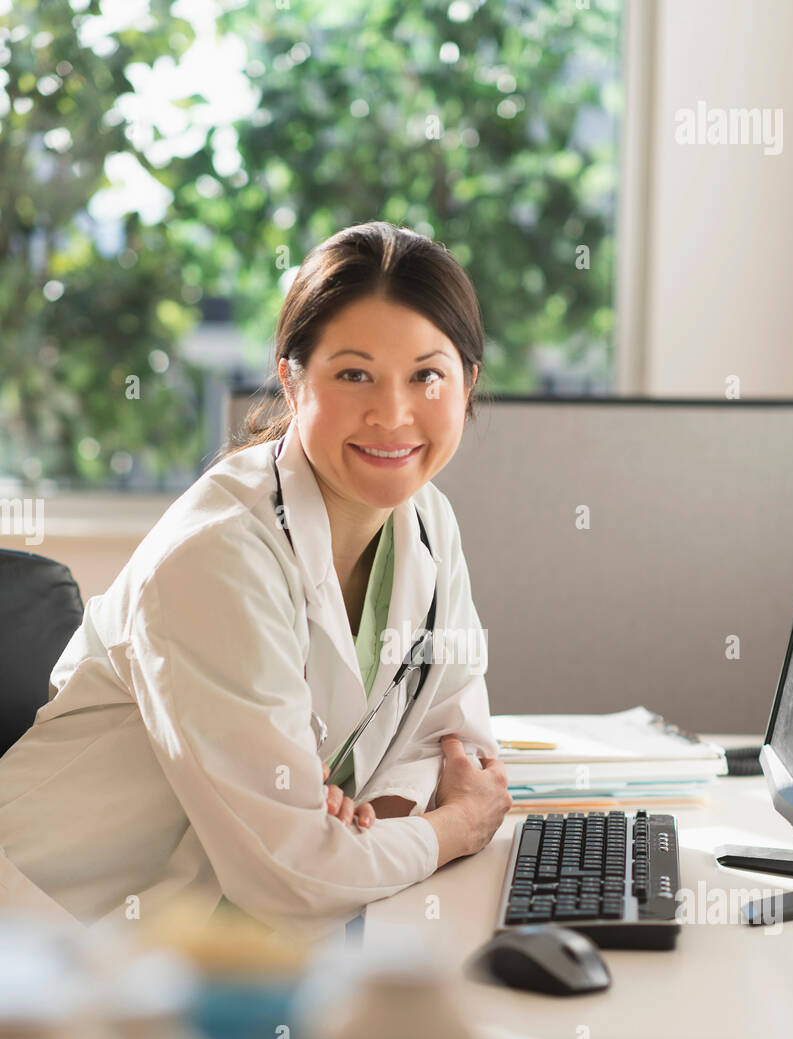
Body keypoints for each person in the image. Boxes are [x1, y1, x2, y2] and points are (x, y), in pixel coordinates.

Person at [0, 221, 512, 937]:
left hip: (250, 936)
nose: (392, 414)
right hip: (64, 954)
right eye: (354, 374)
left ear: (467, 385)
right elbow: (290, 873)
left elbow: (454, 742)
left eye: (427, 375)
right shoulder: (215, 557)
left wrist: (374, 818)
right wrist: (450, 830)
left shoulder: (426, 521)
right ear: (291, 379)